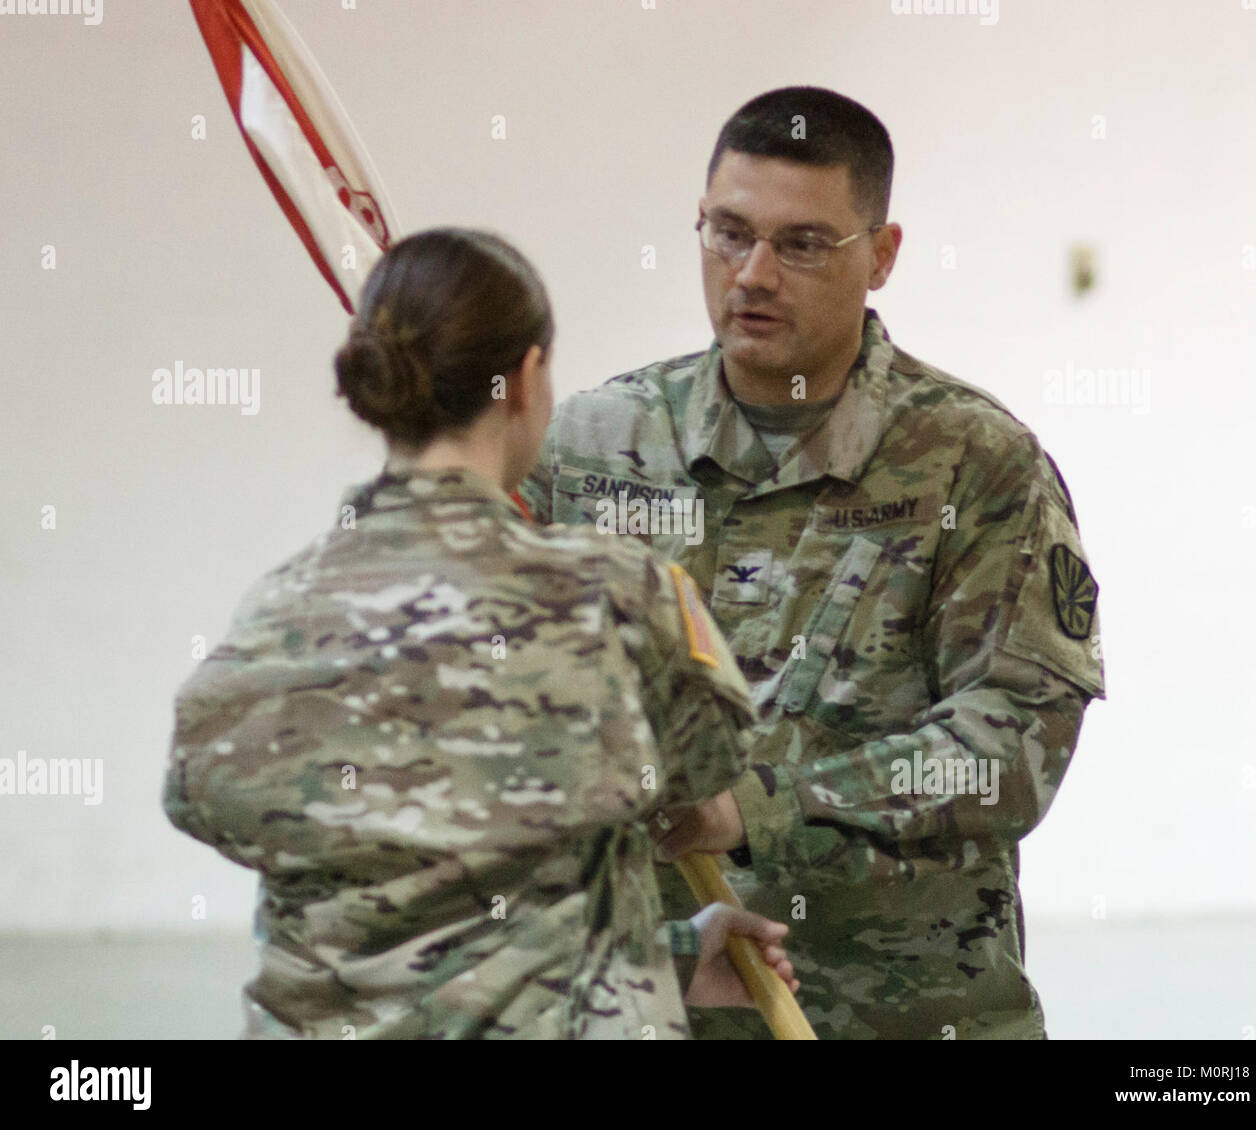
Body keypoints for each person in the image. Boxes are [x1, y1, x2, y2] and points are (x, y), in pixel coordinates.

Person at [520, 86, 1106, 1040]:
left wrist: (754, 810)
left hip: (903, 1017)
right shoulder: (587, 446)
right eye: (728, 232)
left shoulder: (974, 461)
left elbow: (1012, 748)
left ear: (880, 256)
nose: (752, 274)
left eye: (801, 244)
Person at [162, 227, 798, 1040]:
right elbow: (704, 768)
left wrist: (672, 956)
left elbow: (205, 803)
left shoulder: (273, 616)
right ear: (527, 380)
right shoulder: (622, 594)